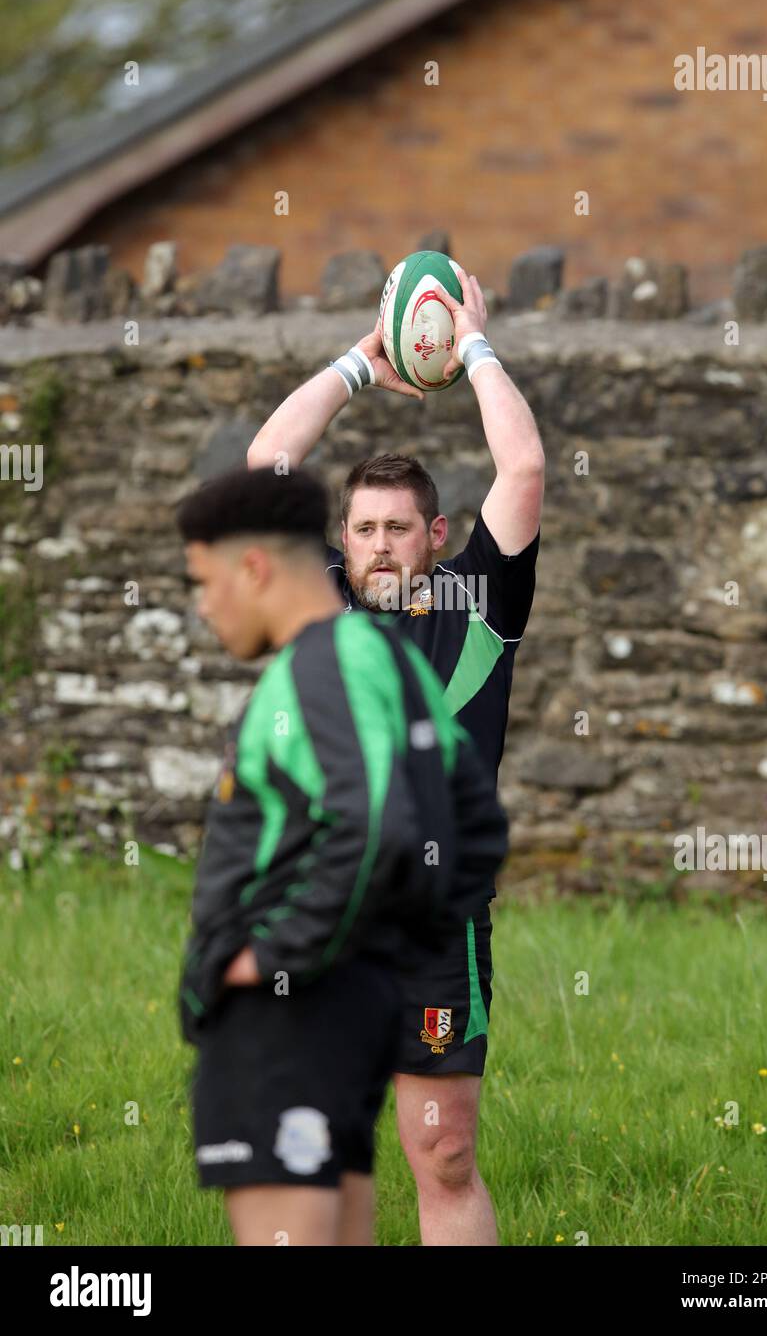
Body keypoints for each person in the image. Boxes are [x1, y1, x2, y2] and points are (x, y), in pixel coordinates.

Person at [246, 266, 545, 1245]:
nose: (379, 546)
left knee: (442, 1155)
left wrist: (474, 347)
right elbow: (268, 459)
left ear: (436, 538)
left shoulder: (478, 607)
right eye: (363, 529)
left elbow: (525, 470)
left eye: (398, 530)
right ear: (342, 539)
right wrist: (361, 363)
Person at [175, 464, 508, 1246]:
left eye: (204, 579)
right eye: (364, 529)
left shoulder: (325, 670)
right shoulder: (379, 660)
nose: (202, 603)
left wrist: (268, 955)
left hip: (280, 1012)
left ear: (253, 569)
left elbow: (378, 829)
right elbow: (475, 827)